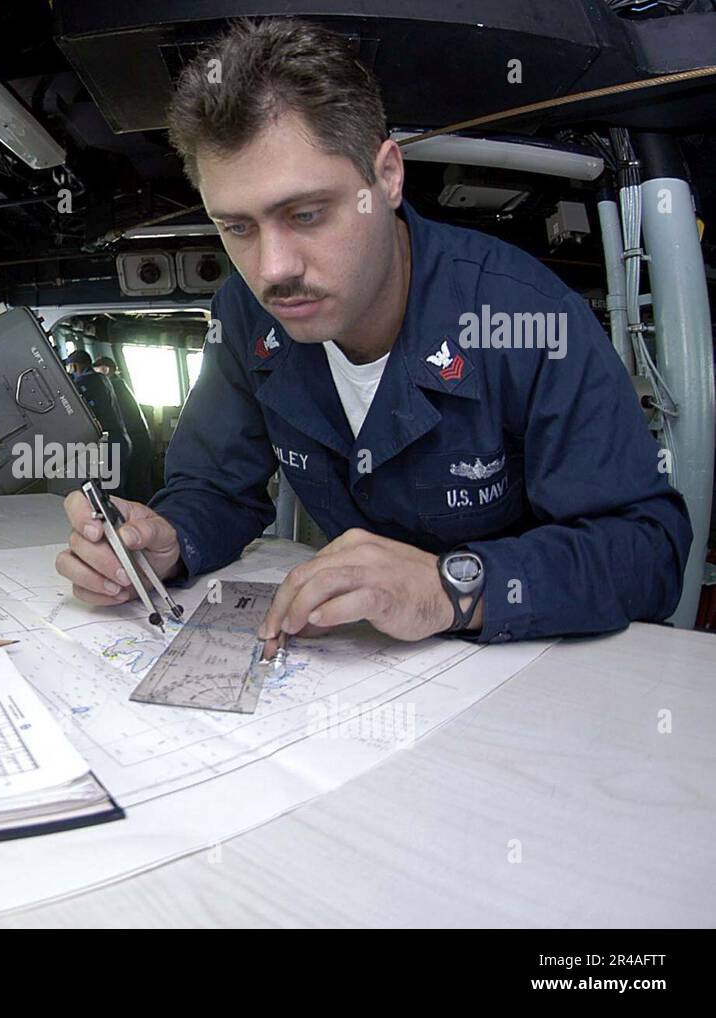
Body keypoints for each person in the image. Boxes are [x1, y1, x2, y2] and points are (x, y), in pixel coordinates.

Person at [55, 17, 690, 648]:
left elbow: (648, 552)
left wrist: (451, 588)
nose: (273, 270)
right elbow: (214, 488)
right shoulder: (246, 317)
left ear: (386, 176)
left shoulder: (527, 317)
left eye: (307, 214)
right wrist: (169, 540)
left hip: (526, 657)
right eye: (237, 228)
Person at [65, 349, 130, 492]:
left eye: (70, 368)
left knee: (109, 490)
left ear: (75, 366)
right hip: (120, 440)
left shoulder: (84, 381)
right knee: (117, 488)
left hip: (109, 443)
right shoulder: (102, 378)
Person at [93, 356, 155, 502]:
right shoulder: (119, 384)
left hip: (134, 439)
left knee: (134, 485)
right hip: (137, 439)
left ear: (106, 369)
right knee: (138, 483)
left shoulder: (114, 386)